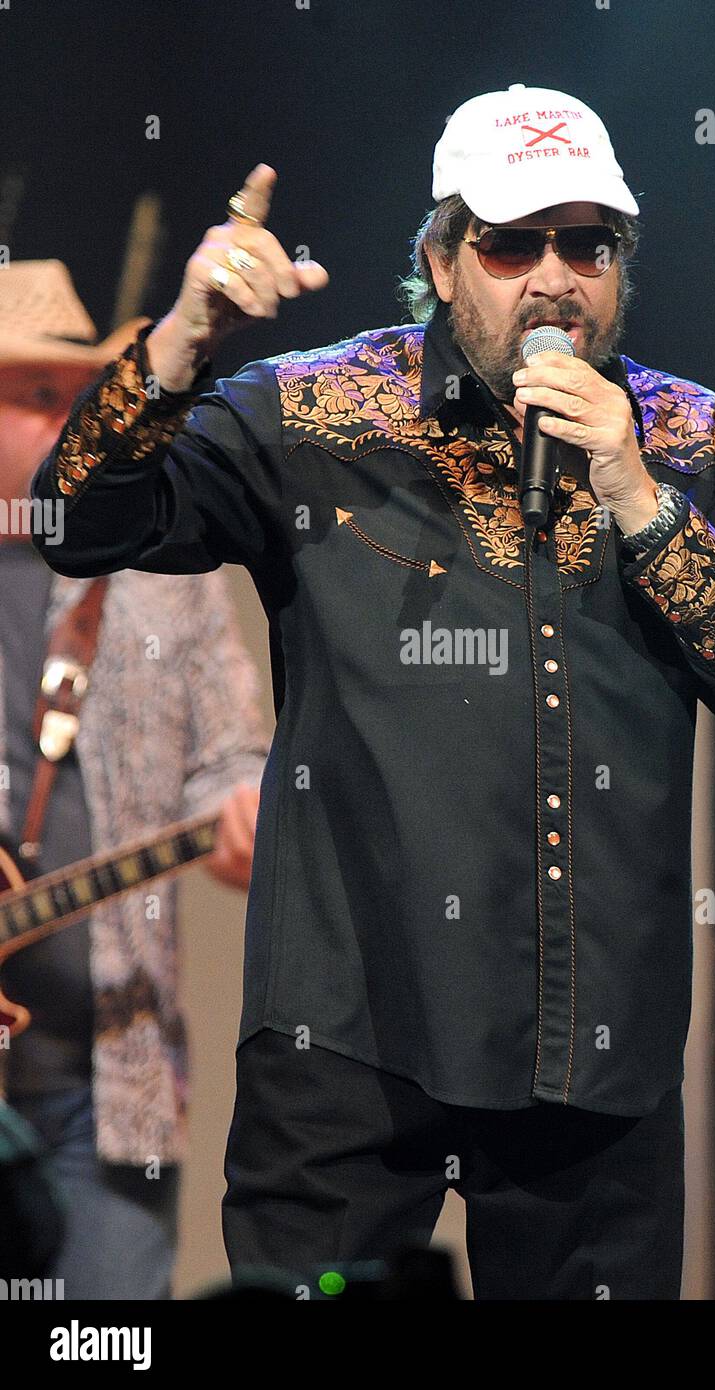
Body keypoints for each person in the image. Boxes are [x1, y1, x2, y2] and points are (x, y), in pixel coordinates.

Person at [30, 84, 715, 1300]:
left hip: (593, 1054)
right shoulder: (313, 412)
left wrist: (634, 494)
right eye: (512, 243)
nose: (553, 279)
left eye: (586, 244)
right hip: (349, 1040)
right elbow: (78, 523)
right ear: (444, 258)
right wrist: (182, 342)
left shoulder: (684, 438)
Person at [0, 259, 269, 1299]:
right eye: (37, 395)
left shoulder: (160, 569)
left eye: (80, 394)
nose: (69, 421)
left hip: (114, 1079)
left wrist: (239, 817)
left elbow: (230, 759)